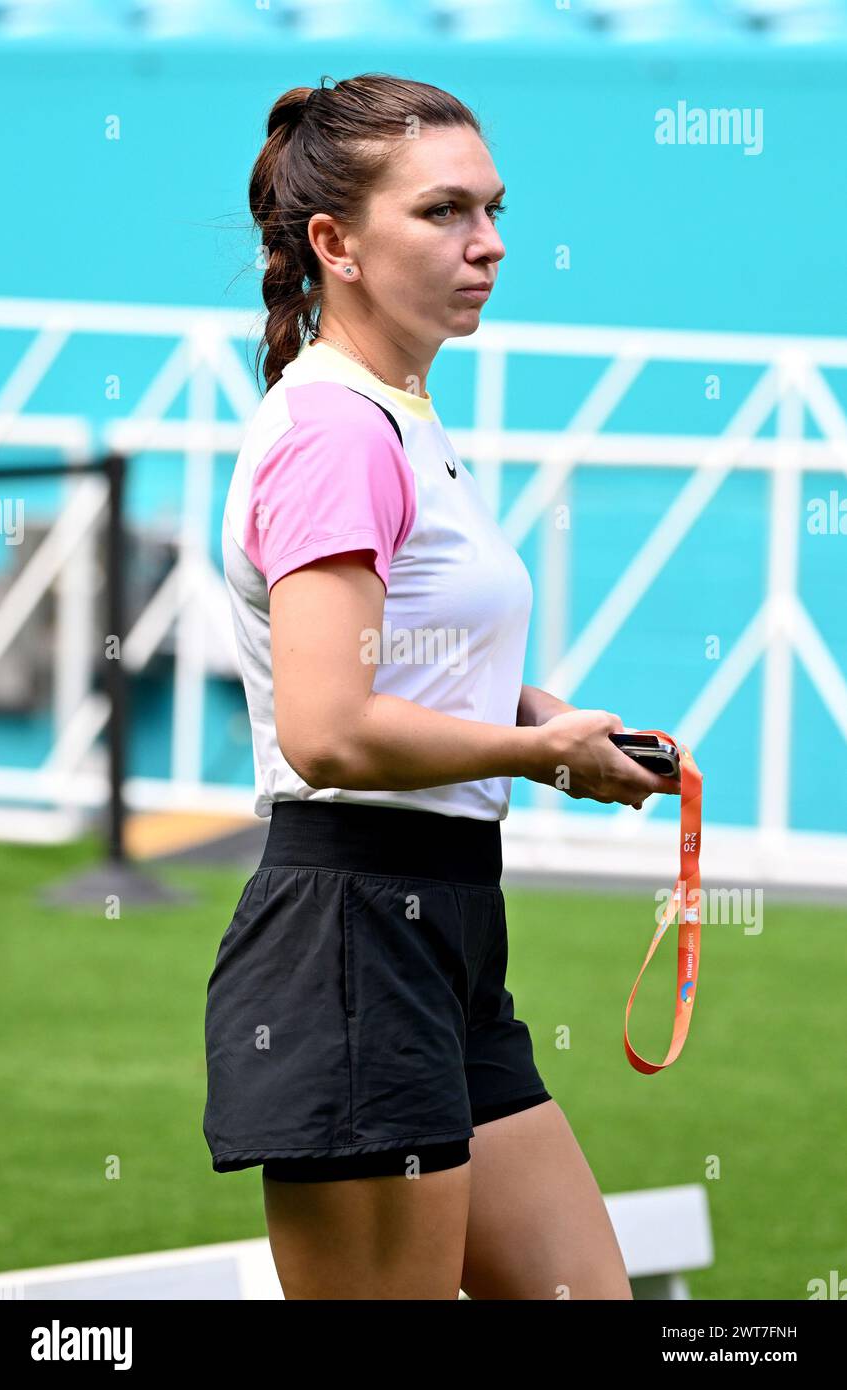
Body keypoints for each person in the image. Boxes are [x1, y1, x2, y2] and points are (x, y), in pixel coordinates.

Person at [203, 73, 680, 1300]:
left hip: (445, 930)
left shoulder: (402, 421)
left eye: (493, 208)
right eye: (444, 212)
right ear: (334, 244)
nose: (489, 243)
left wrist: (566, 724)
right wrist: (542, 756)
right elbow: (328, 730)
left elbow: (412, 655)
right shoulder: (336, 433)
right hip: (353, 932)